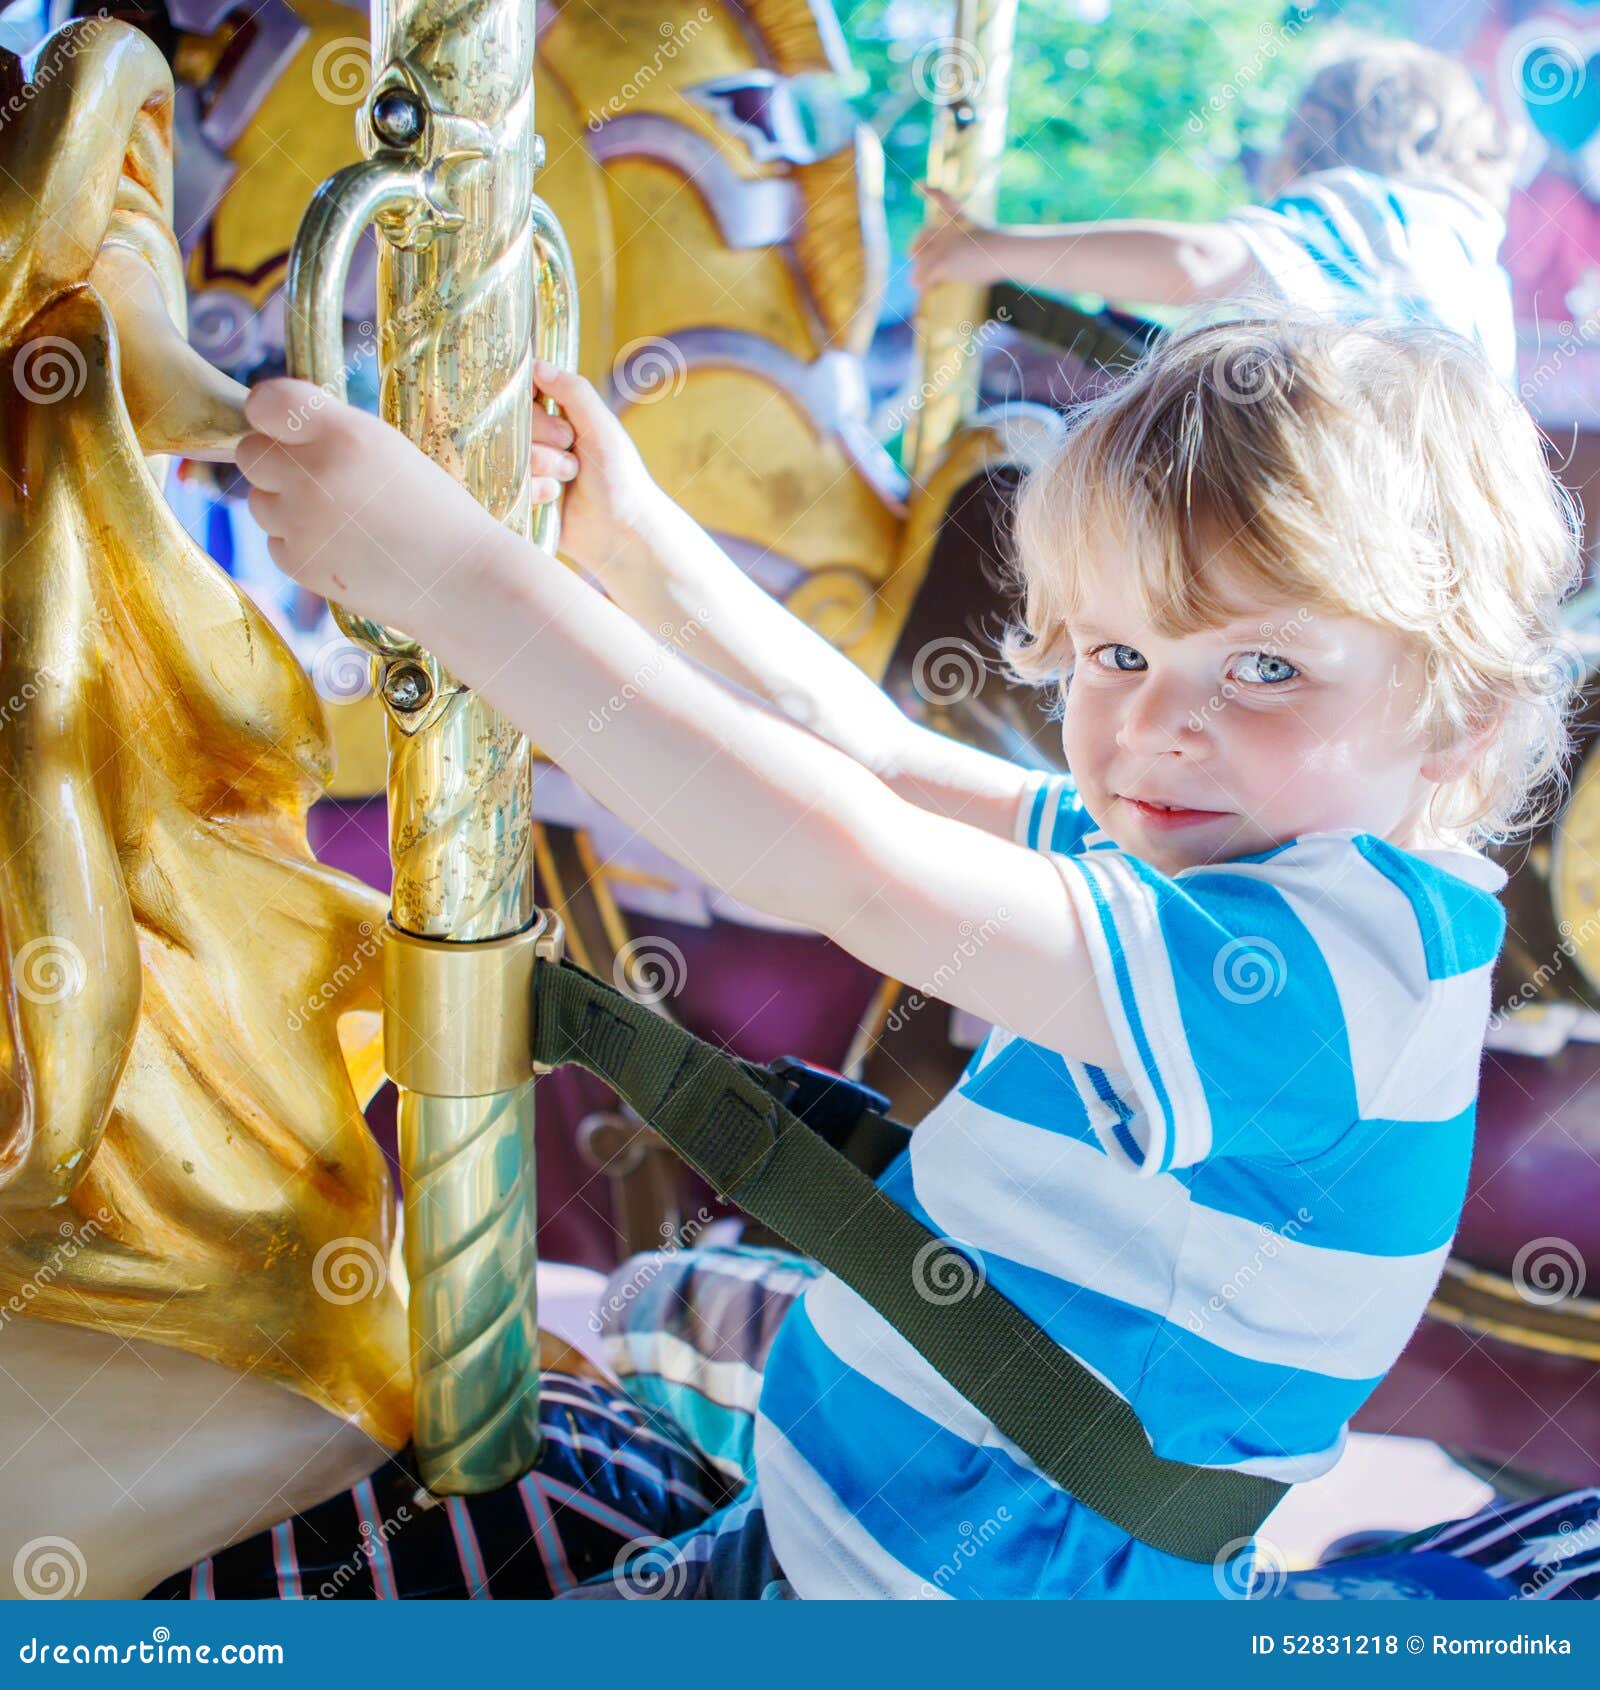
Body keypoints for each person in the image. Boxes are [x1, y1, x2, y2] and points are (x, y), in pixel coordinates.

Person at [224, 308, 1579, 1599]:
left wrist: (454, 581)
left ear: (1458, 719)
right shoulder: (1224, 854)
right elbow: (872, 753)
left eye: (1265, 669)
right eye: (1119, 650)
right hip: (935, 1431)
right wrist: (635, 545)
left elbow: (847, 858)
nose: (1158, 722)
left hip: (941, 1584)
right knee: (587, 1298)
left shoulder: (1314, 973)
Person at [912, 39, 1520, 385]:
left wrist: (984, 248)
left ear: (1313, 139)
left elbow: (1193, 264)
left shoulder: (1372, 213)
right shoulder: (1481, 283)